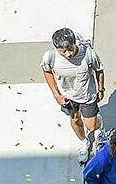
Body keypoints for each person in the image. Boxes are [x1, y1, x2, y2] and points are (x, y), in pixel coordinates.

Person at [41, 28, 105, 163]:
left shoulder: (88, 55)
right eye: (63, 51)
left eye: (70, 49)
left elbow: (99, 70)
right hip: (67, 96)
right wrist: (56, 94)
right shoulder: (50, 57)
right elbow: (47, 71)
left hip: (87, 95)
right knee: (75, 119)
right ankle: (83, 142)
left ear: (75, 43)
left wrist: (100, 89)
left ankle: (99, 127)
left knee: (91, 126)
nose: (68, 54)